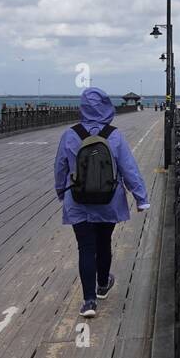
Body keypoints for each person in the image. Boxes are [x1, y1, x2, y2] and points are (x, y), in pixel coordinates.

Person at [54, 87, 150, 318]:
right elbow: (129, 169)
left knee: (85, 248)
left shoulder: (70, 134)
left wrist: (61, 191)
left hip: (77, 200)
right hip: (109, 200)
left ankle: (88, 302)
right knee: (104, 241)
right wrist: (141, 198)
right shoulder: (114, 135)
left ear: (82, 108)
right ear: (107, 106)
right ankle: (103, 285)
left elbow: (60, 167)